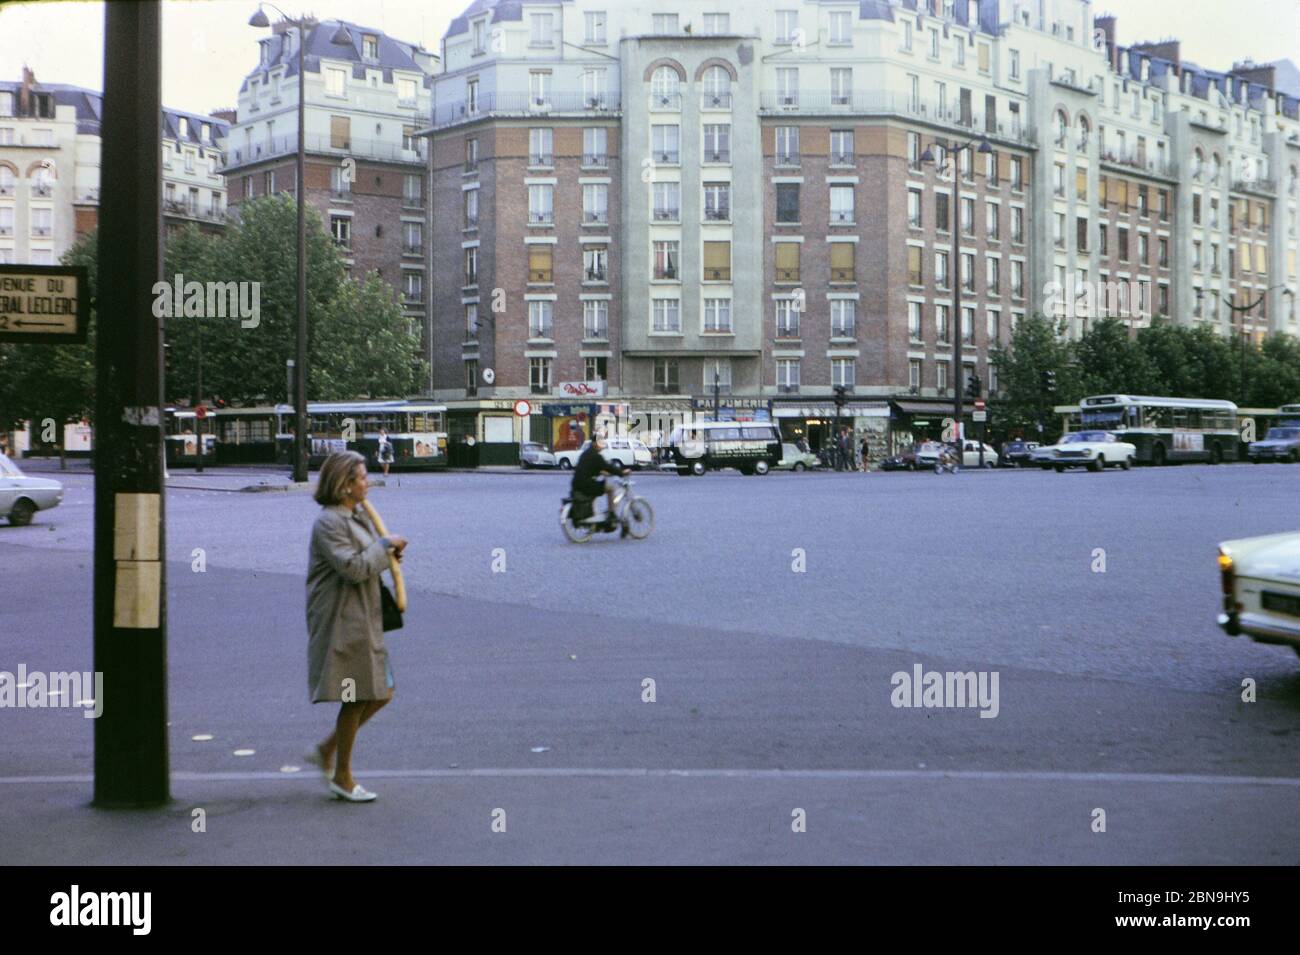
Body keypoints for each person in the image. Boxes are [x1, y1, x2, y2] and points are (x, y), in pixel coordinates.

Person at [305, 451, 407, 803]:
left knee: (382, 690)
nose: (368, 482)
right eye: (361, 477)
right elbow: (351, 567)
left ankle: (329, 750)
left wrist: (386, 552)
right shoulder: (330, 522)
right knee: (358, 694)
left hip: (361, 616)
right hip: (342, 622)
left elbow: (368, 558)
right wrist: (383, 548)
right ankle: (342, 776)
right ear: (345, 485)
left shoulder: (354, 515)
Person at [571, 432, 630, 535]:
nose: (602, 445)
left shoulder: (586, 453)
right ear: (595, 444)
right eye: (600, 443)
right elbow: (607, 467)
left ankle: (596, 514)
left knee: (600, 487)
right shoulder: (596, 456)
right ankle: (611, 513)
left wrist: (603, 472)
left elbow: (593, 468)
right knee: (610, 489)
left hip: (577, 483)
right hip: (586, 484)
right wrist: (621, 472)